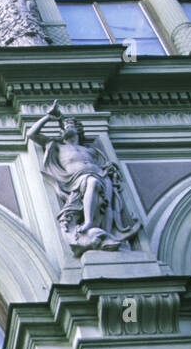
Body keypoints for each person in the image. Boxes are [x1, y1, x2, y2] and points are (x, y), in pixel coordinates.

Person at [27, 102, 139, 253]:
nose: (66, 127)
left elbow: (103, 163)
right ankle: (88, 223)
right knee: (92, 182)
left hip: (101, 176)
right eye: (64, 126)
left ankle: (107, 234)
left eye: (70, 125)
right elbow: (32, 134)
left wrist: (109, 169)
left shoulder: (91, 150)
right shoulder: (58, 146)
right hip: (76, 179)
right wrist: (48, 117)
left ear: (78, 130)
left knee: (105, 203)